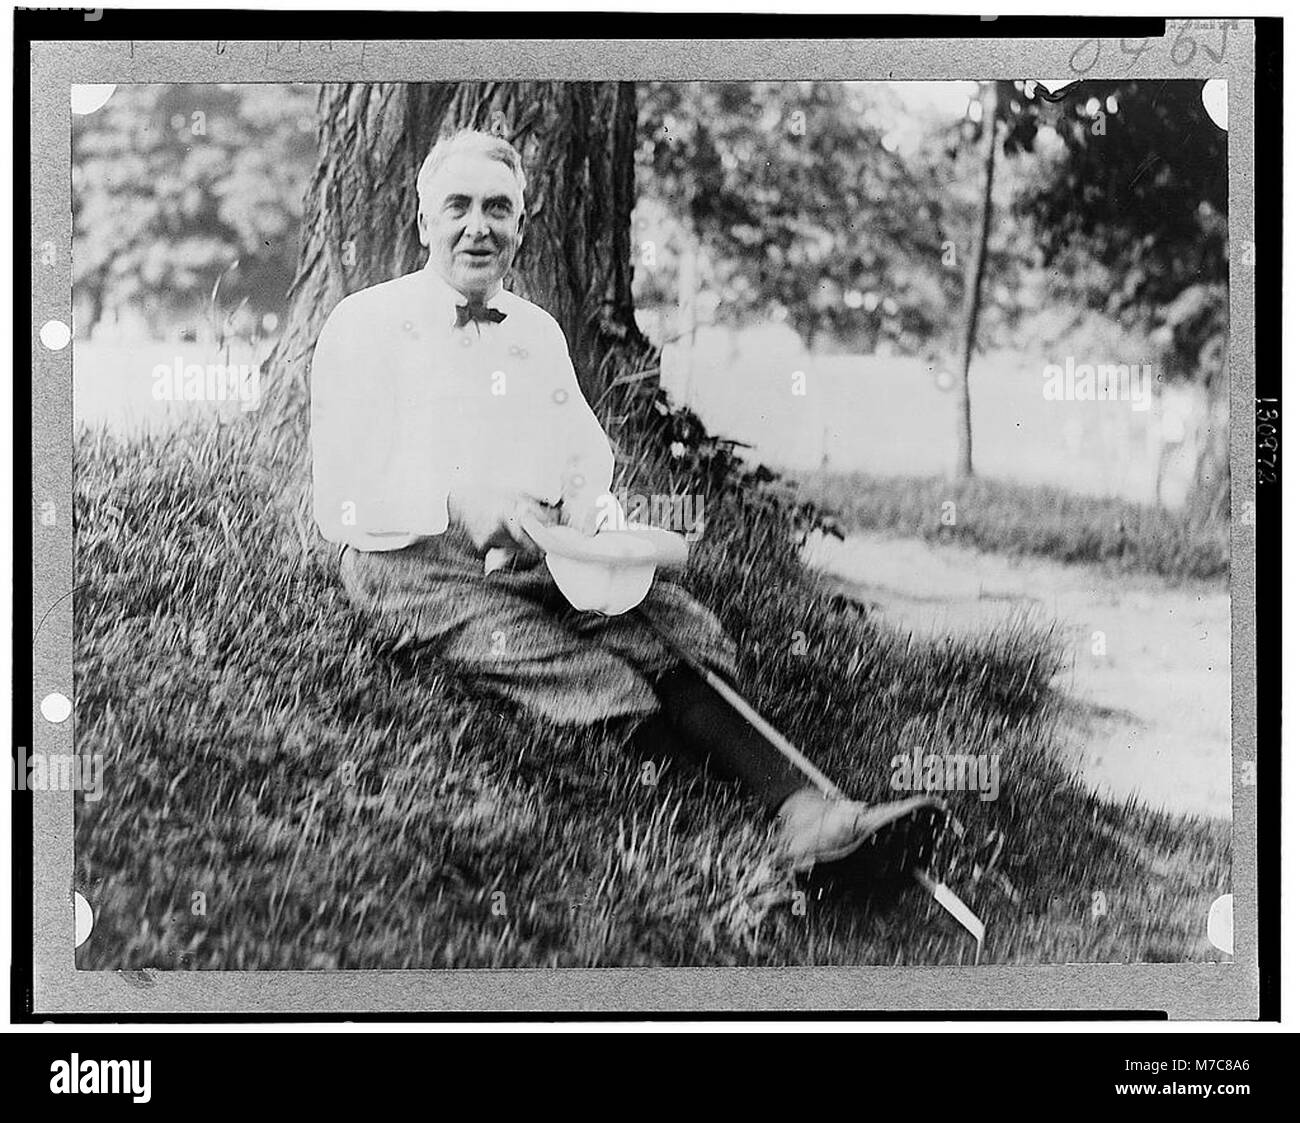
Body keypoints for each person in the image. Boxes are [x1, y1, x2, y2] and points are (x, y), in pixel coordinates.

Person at [310, 128, 940, 876]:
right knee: (582, 672)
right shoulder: (365, 324)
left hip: (534, 549)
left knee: (671, 627)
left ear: (522, 225)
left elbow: (582, 458)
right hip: (407, 562)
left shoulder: (537, 333)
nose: (478, 226)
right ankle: (750, 833)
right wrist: (453, 496)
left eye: (498, 209)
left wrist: (591, 515)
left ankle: (810, 812)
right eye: (458, 207)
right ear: (424, 224)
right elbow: (341, 496)